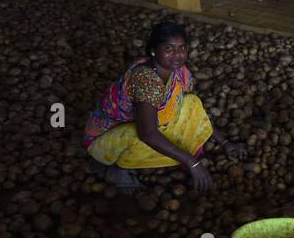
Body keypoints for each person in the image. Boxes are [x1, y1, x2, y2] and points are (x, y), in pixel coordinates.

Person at [83, 21, 245, 194]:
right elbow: (147, 134)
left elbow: (196, 113)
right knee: (139, 133)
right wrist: (192, 162)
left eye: (182, 48)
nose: (177, 55)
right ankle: (118, 168)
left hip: (154, 123)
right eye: (169, 49)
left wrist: (225, 143)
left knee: (192, 102)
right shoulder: (146, 80)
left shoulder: (178, 71)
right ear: (153, 50)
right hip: (107, 140)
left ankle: (174, 154)